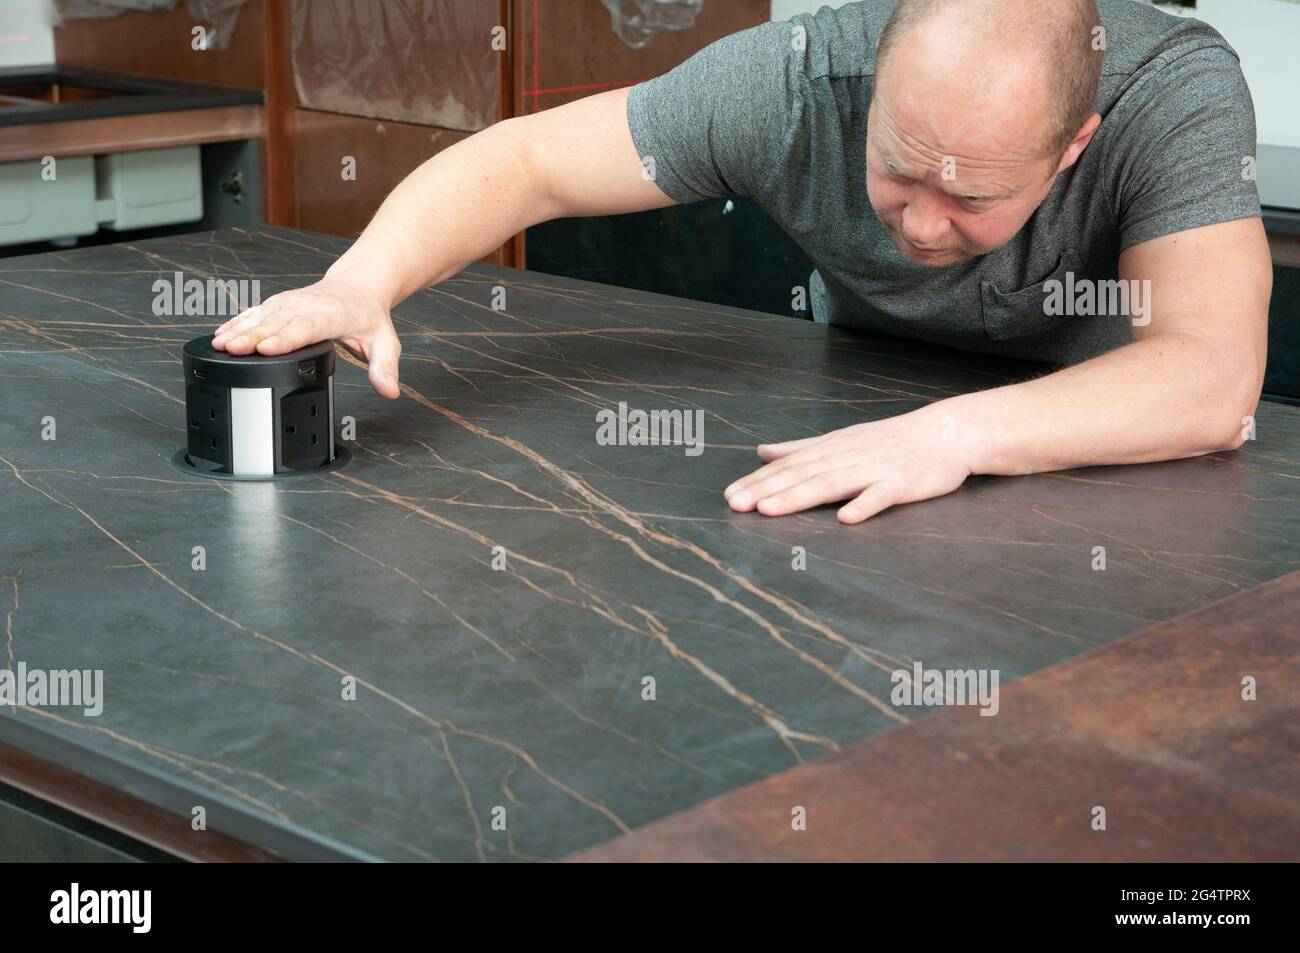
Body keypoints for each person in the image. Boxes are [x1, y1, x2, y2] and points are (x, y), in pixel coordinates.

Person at [211, 0, 1270, 524]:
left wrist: (956, 435)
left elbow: (1209, 378)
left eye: (975, 196)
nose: (926, 223)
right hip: (856, 417)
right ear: (874, 79)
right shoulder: (802, 76)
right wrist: (364, 278)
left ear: (1075, 144)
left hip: (1094, 469)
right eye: (900, 170)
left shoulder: (1171, 93)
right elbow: (529, 162)